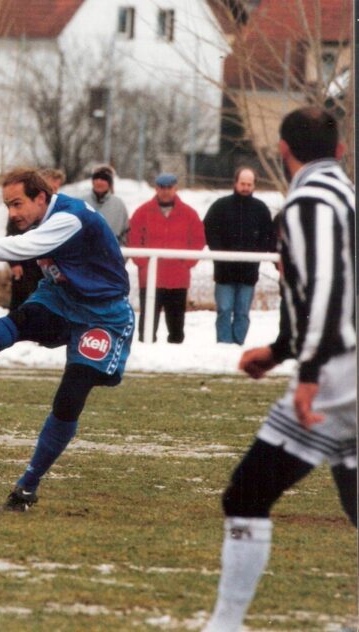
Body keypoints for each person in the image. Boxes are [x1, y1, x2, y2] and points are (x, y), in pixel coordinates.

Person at [202, 108, 356, 631]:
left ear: (283, 152)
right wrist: (280, 349)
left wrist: (308, 371)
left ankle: (225, 625)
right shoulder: (346, 195)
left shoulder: (308, 202)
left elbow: (328, 288)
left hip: (339, 377)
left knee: (246, 494)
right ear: (339, 150)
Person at [0, 168, 134, 511]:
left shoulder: (69, 218)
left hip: (103, 316)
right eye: (7, 205)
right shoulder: (41, 217)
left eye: (17, 204)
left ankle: (27, 486)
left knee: (69, 398)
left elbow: (21, 248)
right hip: (61, 298)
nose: (12, 213)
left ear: (41, 197)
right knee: (19, 321)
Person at [129, 173, 205, 343]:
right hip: (150, 278)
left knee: (176, 329)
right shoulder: (142, 212)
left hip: (177, 279)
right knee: (147, 328)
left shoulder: (189, 213)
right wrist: (143, 265)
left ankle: (175, 360)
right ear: (156, 189)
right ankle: (146, 359)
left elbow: (198, 241)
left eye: (169, 188)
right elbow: (133, 240)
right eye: (161, 188)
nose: (165, 192)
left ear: (175, 188)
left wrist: (186, 264)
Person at [203, 167, 276, 345]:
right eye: (242, 183)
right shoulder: (220, 206)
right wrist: (219, 252)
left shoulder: (261, 209)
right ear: (235, 183)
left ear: (254, 186)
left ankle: (237, 345)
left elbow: (269, 236)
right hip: (224, 271)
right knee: (224, 310)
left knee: (243, 312)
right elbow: (209, 231)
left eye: (249, 184)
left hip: (249, 272)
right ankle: (224, 346)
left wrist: (257, 253)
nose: (245, 187)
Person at [6, 168, 62, 311]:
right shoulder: (21, 212)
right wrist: (14, 264)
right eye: (51, 187)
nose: (53, 191)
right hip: (24, 264)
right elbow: (9, 237)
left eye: (56, 188)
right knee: (18, 303)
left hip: (44, 267)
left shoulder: (60, 213)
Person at [82, 164, 129, 245]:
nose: (99, 182)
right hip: (83, 253)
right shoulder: (81, 203)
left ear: (110, 183)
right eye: (96, 178)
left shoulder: (119, 205)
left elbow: (126, 232)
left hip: (109, 253)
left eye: (104, 178)